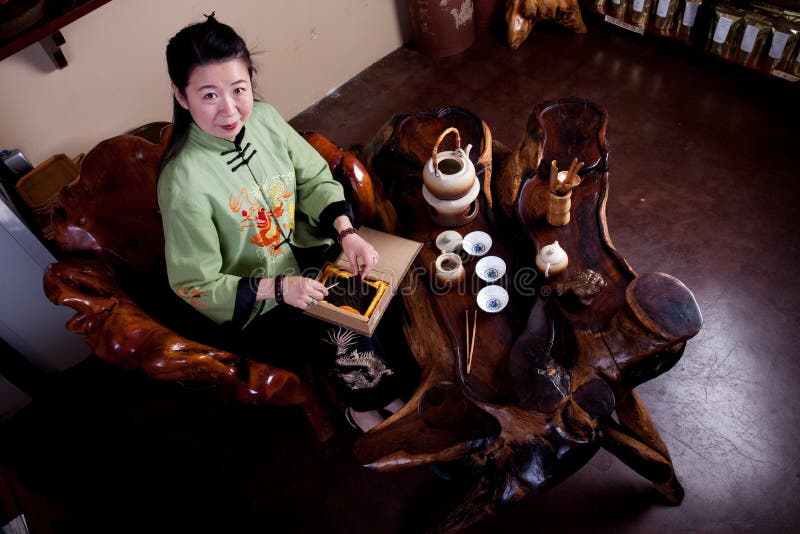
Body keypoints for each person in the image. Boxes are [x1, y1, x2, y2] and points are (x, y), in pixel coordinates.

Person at [158, 14, 414, 431]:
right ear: (181, 96)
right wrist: (279, 287)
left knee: (386, 286)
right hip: (260, 300)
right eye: (209, 95)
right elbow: (195, 284)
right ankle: (366, 408)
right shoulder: (182, 181)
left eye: (238, 89)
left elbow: (313, 178)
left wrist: (346, 233)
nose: (229, 109)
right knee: (340, 326)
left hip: (311, 252)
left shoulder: (264, 118)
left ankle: (394, 390)